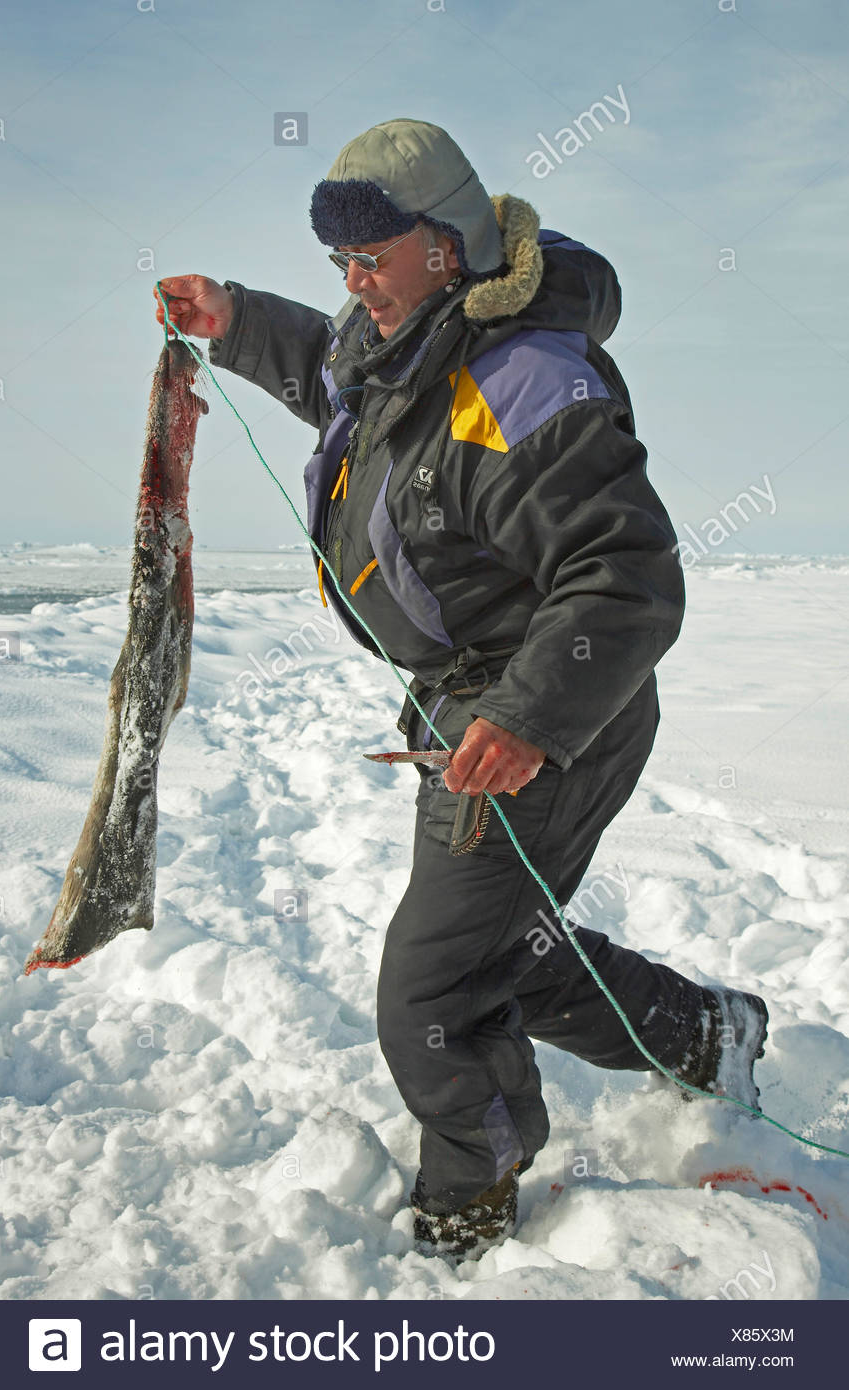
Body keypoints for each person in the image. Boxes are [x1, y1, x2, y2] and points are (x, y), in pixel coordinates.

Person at [154, 118, 768, 1261]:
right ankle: (698, 1029)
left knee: (431, 985)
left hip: (551, 704)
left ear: (445, 243)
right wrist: (233, 319)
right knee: (500, 948)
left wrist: (527, 718)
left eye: (371, 259)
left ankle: (471, 1195)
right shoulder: (401, 330)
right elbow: (333, 374)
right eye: (340, 264)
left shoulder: (525, 379)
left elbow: (624, 575)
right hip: (471, 702)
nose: (352, 285)